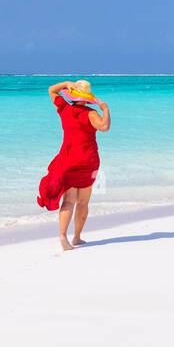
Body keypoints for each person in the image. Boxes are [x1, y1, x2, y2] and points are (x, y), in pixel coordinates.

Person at [36, 79, 111, 251]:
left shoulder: (64, 109)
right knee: (83, 202)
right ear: (87, 97)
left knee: (68, 201)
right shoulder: (91, 114)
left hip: (68, 159)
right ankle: (77, 237)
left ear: (73, 94)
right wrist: (105, 109)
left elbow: (51, 90)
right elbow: (105, 127)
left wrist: (66, 83)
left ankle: (63, 236)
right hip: (89, 161)